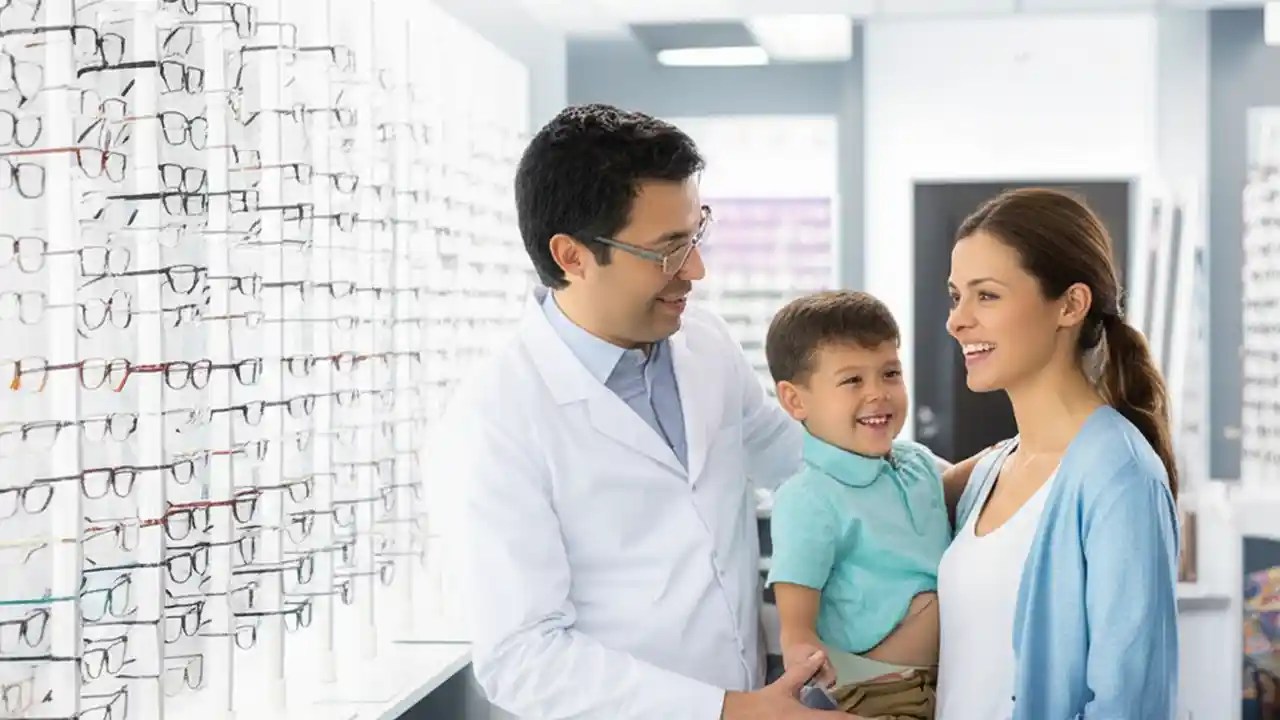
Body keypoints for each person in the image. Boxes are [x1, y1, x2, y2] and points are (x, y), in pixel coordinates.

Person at [435, 104, 846, 719]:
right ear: (572, 256)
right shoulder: (494, 418)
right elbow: (523, 657)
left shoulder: (704, 343)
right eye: (668, 251)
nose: (697, 271)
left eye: (696, 235)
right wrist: (731, 710)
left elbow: (802, 461)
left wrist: (960, 482)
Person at [937, 187, 1180, 719]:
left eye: (987, 295)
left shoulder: (1120, 477)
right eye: (957, 297)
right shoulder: (991, 471)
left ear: (1070, 304)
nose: (957, 321)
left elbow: (1129, 705)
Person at [764, 290, 966, 719]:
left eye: (890, 373)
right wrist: (802, 650)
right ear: (795, 400)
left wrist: (1018, 452)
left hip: (950, 675)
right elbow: (796, 611)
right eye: (852, 380)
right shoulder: (809, 496)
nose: (878, 393)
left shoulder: (915, 462)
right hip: (878, 690)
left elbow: (963, 482)